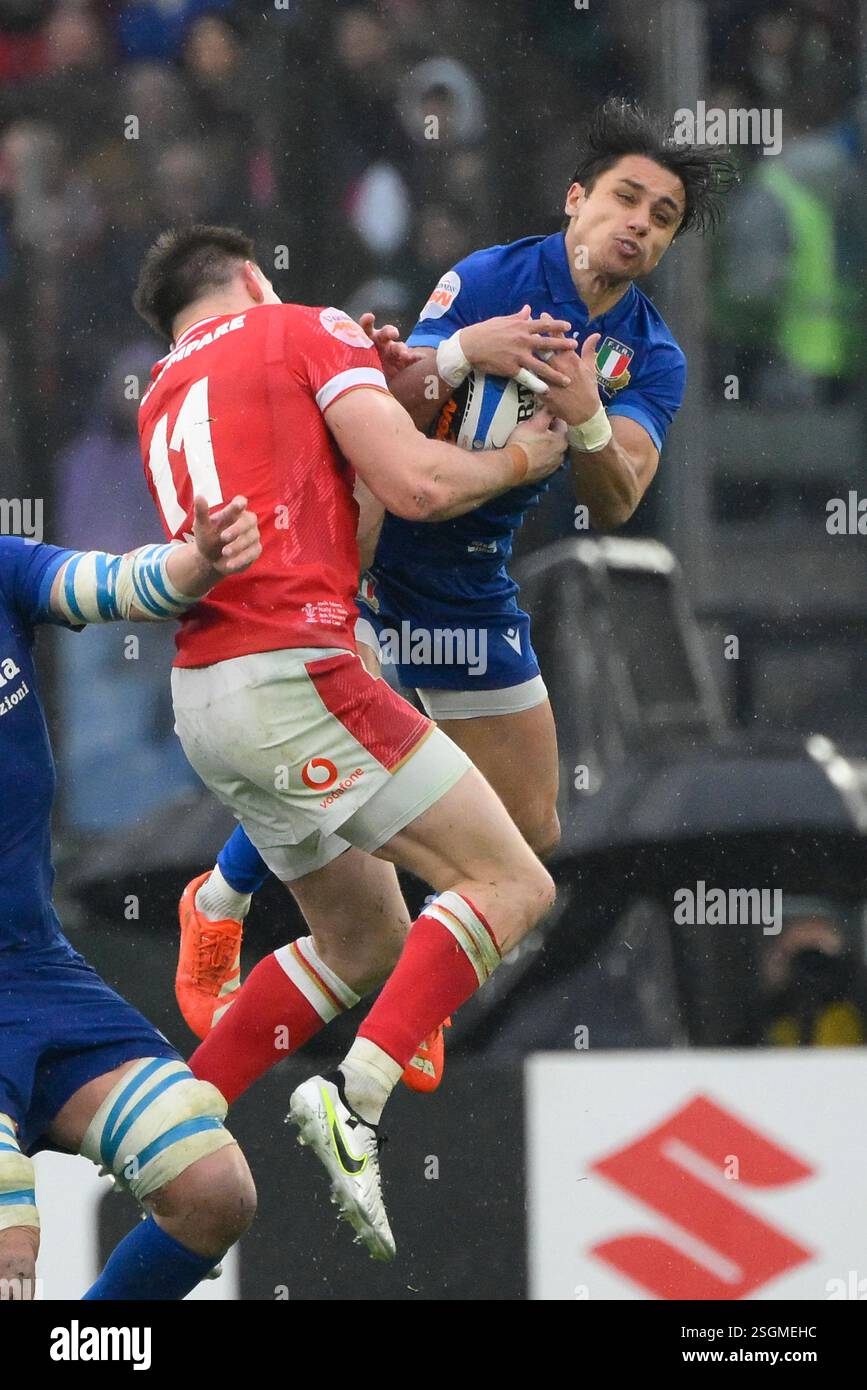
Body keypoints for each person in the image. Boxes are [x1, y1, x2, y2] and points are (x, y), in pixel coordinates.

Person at [177, 97, 736, 1082]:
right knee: (343, 767)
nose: (639, 224)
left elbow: (621, 493)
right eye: (625, 198)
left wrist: (588, 420)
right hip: (371, 551)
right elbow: (373, 406)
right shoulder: (489, 278)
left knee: (529, 831)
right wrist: (454, 354)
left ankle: (426, 971)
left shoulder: (652, 354)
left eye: (663, 216)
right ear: (577, 200)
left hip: (471, 584)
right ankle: (217, 903)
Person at [134, 222, 566, 1257]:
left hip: (206, 698)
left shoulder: (159, 393)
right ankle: (355, 1100)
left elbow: (345, 520)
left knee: (364, 938)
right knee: (516, 882)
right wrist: (523, 455)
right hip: (302, 675)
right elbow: (417, 485)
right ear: (253, 275)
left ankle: (175, 1114)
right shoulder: (299, 328)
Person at [0, 495, 261, 1300]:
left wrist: (200, 560)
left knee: (214, 1192)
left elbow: (118, 584)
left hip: (36, 973)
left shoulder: (5, 566)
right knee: (10, 1248)